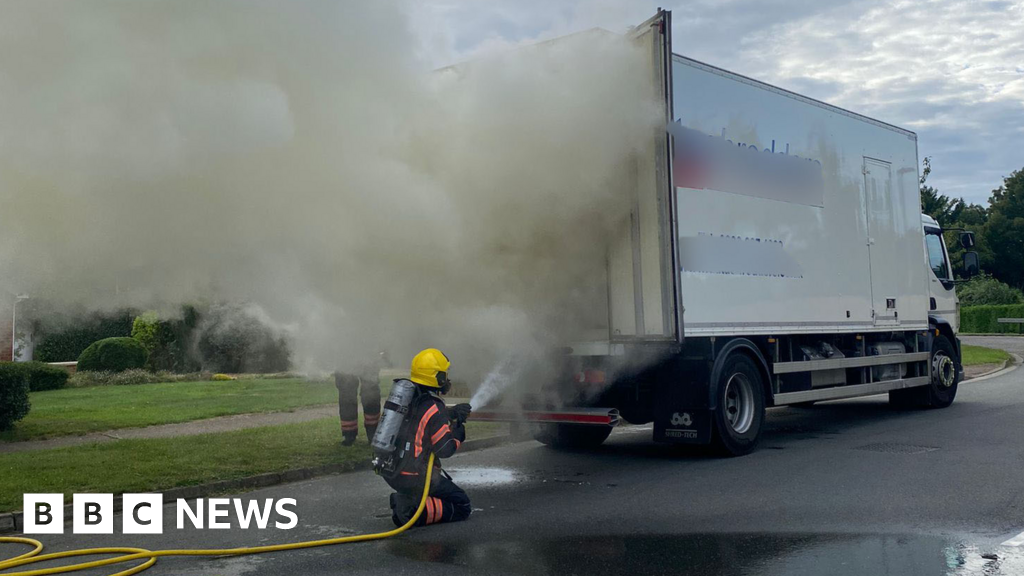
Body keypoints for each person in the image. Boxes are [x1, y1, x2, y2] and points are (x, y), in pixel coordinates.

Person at [384, 348, 473, 527]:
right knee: (461, 504)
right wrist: (458, 434)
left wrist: (451, 412)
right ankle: (410, 509)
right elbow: (445, 449)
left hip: (393, 472)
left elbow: (421, 420)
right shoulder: (433, 406)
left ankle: (410, 499)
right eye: (444, 375)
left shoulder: (409, 397)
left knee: (443, 493)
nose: (447, 379)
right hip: (415, 476)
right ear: (437, 377)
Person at [335, 368, 382, 447]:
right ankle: (349, 434)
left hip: (368, 359)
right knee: (346, 391)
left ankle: (373, 432)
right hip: (345, 359)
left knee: (371, 390)